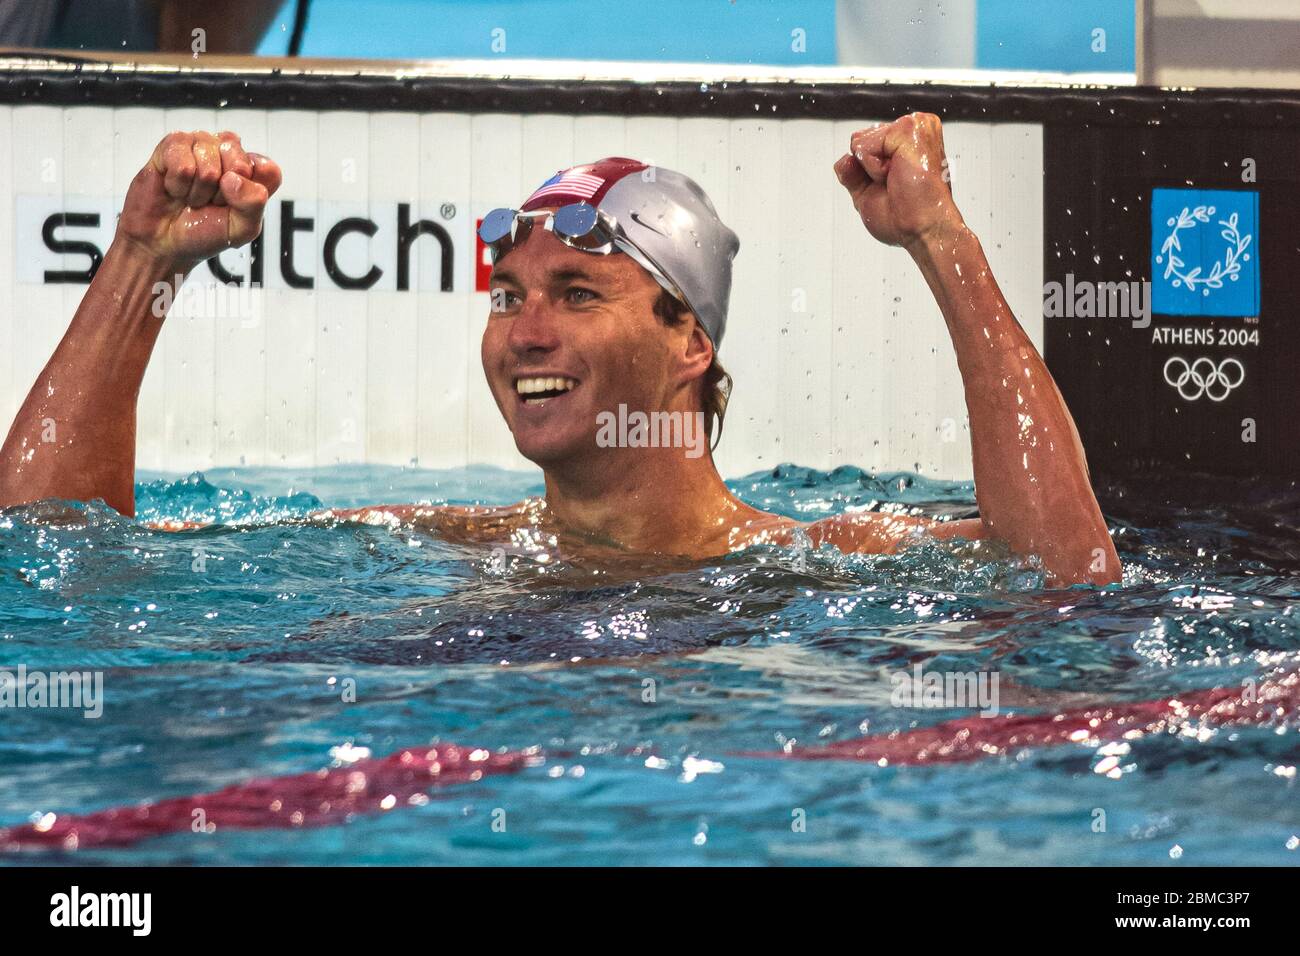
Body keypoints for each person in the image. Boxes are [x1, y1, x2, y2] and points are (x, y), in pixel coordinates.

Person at [0, 118, 1120, 587]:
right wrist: (145, 260)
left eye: (577, 293)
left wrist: (938, 237)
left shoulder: (815, 558)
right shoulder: (433, 543)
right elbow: (53, 552)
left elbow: (1065, 578)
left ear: (691, 339)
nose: (523, 334)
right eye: (508, 296)